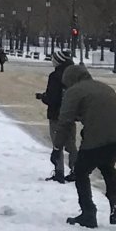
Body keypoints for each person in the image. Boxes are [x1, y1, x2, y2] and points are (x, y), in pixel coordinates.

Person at [55, 63, 116, 227]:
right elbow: (100, 111)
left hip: (98, 137)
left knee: (81, 171)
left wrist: (56, 148)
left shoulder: (74, 91)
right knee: (107, 165)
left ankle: (88, 213)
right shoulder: (105, 87)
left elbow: (64, 122)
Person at [38, 54, 74, 182]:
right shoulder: (73, 75)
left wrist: (43, 97)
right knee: (71, 144)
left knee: (57, 143)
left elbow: (52, 98)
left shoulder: (55, 76)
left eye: (54, 59)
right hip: (71, 113)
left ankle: (59, 172)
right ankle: (75, 170)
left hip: (56, 114)